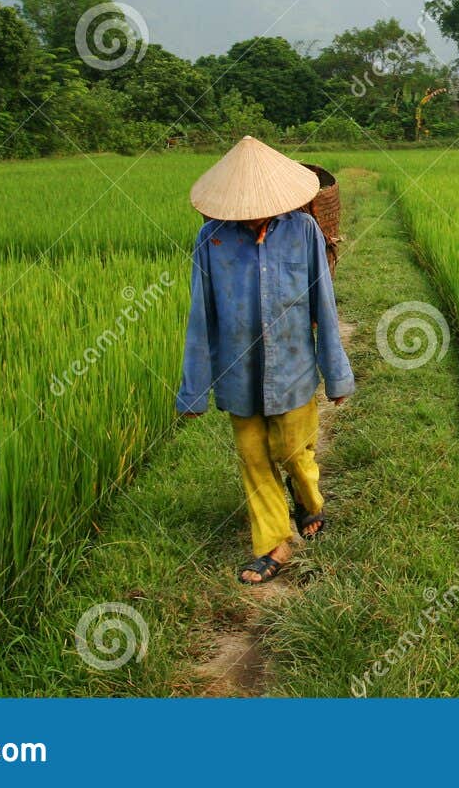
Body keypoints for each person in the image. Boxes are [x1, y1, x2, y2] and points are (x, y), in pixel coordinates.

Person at [177, 136, 354, 584]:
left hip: (294, 368)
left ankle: (309, 502)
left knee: (295, 454)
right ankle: (274, 543)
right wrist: (194, 389)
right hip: (237, 372)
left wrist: (336, 377)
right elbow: (201, 315)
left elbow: (323, 304)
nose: (253, 212)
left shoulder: (303, 231)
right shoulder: (211, 238)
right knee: (254, 457)